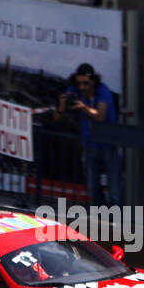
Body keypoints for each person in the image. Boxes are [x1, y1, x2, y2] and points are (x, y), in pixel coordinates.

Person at [56, 63, 121, 206]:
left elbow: (100, 116)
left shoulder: (103, 91)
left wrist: (84, 107)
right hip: (89, 145)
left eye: (85, 83)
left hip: (108, 144)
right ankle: (101, 217)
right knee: (92, 187)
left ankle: (117, 221)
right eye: (78, 83)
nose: (82, 87)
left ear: (93, 82)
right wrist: (62, 105)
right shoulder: (74, 90)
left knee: (114, 189)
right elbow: (56, 117)